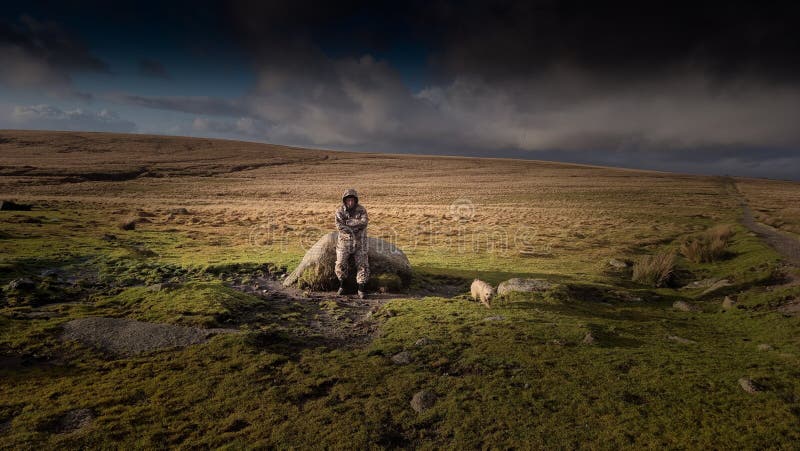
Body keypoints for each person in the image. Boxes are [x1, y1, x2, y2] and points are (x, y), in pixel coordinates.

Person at [334, 188, 369, 298]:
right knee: (340, 263)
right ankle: (342, 286)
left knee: (363, 265)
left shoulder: (362, 210)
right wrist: (355, 225)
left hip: (360, 242)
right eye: (348, 200)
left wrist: (349, 223)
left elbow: (364, 223)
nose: (350, 202)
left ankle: (361, 289)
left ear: (355, 200)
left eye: (352, 200)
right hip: (344, 243)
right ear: (344, 200)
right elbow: (340, 226)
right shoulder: (339, 211)